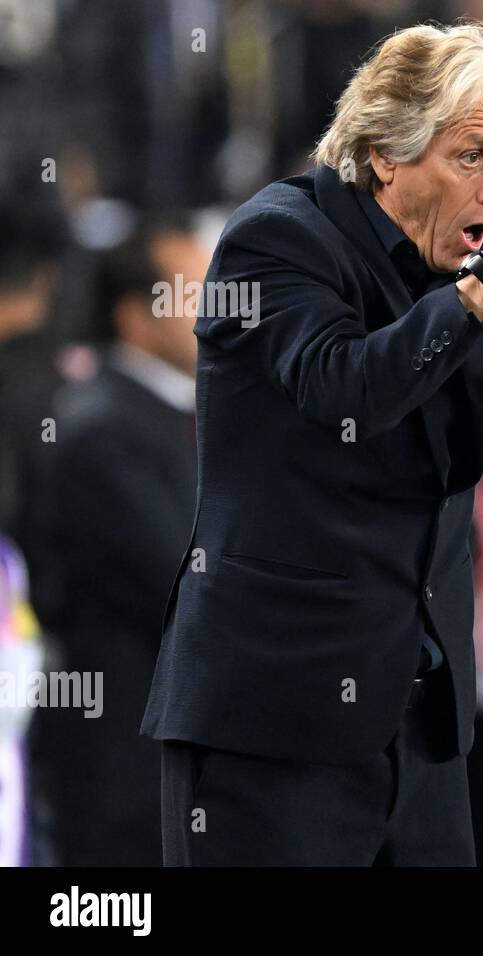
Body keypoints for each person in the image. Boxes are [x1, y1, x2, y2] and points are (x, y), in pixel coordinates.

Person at [141, 21, 483, 866]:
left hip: (424, 728)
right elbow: (350, 390)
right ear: (384, 152)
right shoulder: (275, 239)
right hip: (274, 719)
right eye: (472, 157)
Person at [29, 219, 207, 865]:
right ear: (136, 318)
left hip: (176, 758)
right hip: (123, 765)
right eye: (195, 292)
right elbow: (185, 582)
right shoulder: (101, 431)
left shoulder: (188, 416)